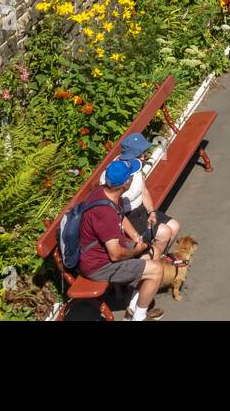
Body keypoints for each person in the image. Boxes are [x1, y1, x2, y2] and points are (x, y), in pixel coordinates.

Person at [78, 158, 165, 321]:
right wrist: (136, 250)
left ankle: (133, 307)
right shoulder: (104, 213)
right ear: (126, 183)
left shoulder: (104, 192)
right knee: (157, 270)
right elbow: (115, 255)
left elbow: (120, 216)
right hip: (99, 266)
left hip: (102, 252)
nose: (134, 178)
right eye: (132, 176)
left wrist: (136, 237)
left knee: (154, 252)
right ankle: (140, 316)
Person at [116, 133, 182, 292]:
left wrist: (151, 211)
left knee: (174, 226)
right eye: (142, 152)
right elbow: (118, 211)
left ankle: (157, 261)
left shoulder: (136, 165)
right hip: (127, 217)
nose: (145, 155)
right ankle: (153, 273)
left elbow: (144, 191)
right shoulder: (119, 172)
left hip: (142, 210)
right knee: (165, 232)